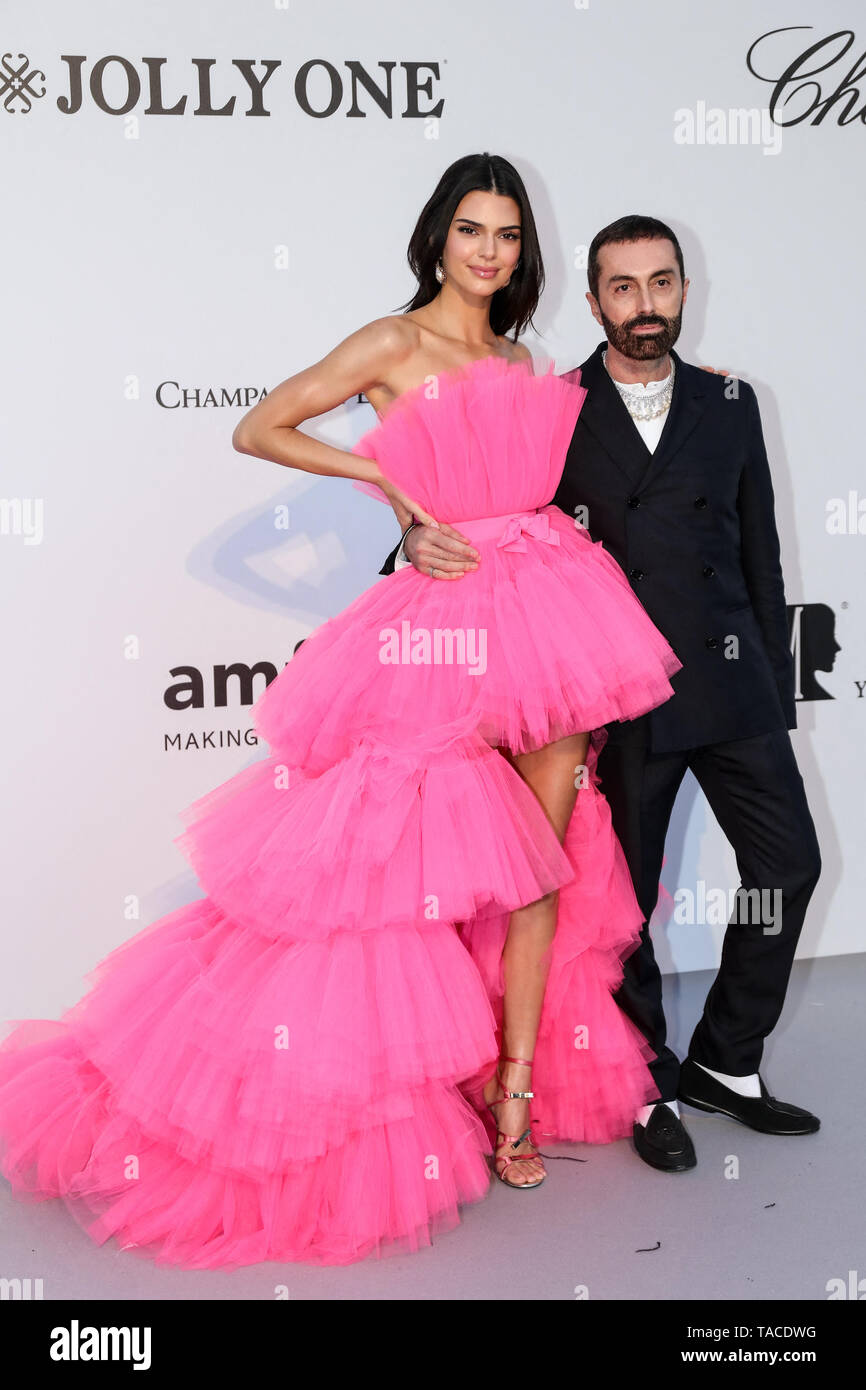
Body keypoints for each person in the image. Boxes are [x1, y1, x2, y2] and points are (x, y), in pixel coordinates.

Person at [0, 157, 681, 1270]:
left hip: (554, 612)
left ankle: (511, 1096)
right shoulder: (390, 342)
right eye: (471, 229)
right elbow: (260, 427)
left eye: (506, 234)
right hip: (444, 618)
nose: (489, 251)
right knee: (389, 872)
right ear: (438, 236)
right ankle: (354, 1091)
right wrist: (395, 497)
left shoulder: (522, 356)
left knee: (540, 865)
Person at [389, 214, 822, 1175]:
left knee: (789, 866)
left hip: (730, 678)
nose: (645, 305)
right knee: (621, 906)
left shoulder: (732, 401)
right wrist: (411, 539)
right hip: (617, 690)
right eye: (622, 288)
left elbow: (761, 549)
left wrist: (773, 681)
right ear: (594, 302)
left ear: (683, 291)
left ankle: (727, 1062)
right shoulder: (550, 403)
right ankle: (651, 1083)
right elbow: (480, 513)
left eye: (661, 284)